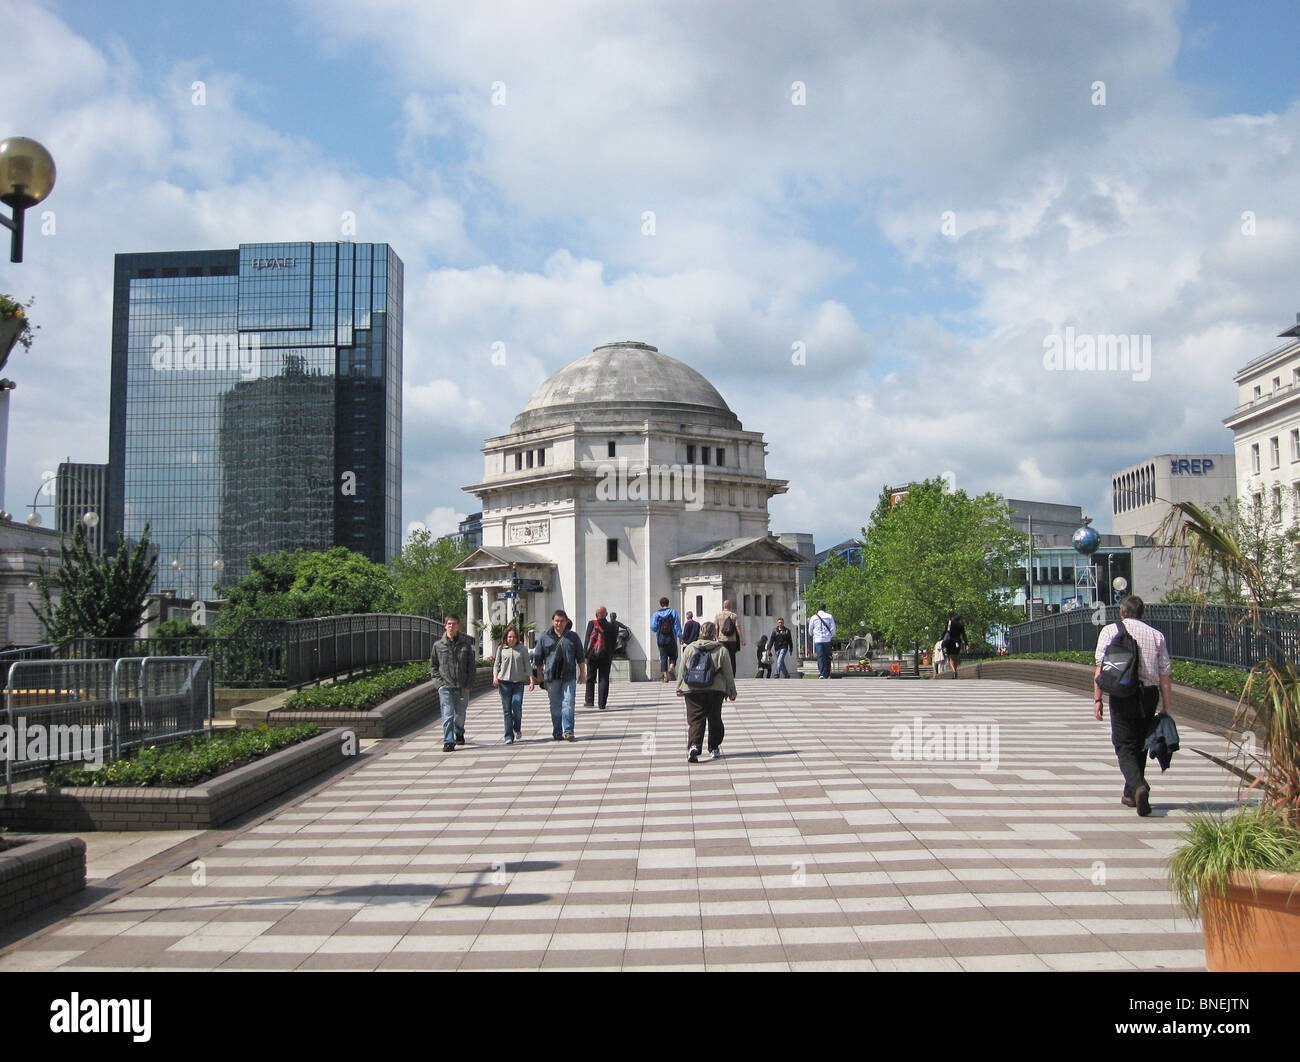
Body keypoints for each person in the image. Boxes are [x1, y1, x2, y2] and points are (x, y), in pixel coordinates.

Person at [1093, 595, 1174, 817]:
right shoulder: (1157, 636)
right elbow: (1164, 675)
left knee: (1123, 744)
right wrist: (1166, 707)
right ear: (1142, 613)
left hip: (1121, 693)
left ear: (1121, 612)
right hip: (1148, 694)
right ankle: (1131, 794)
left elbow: (1101, 669)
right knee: (1140, 742)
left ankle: (1139, 786)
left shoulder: (1109, 631)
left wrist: (1098, 699)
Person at [676, 620, 737, 763]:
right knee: (715, 718)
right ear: (715, 633)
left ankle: (694, 746)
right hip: (715, 689)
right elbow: (728, 672)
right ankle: (714, 747)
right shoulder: (721, 650)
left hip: (692, 689)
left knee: (695, 720)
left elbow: (682, 669)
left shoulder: (690, 648)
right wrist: (731, 691)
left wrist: (679, 686)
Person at [533, 609, 586, 741]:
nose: (559, 623)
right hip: (551, 676)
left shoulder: (573, 637)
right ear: (553, 621)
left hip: (569, 675)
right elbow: (538, 657)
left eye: (562, 621)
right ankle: (557, 731)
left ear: (566, 622)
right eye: (556, 621)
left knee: (568, 703)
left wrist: (583, 673)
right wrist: (539, 674)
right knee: (555, 705)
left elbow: (580, 656)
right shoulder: (545, 637)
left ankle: (568, 731)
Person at [430, 614, 477, 752]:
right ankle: (448, 741)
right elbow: (433, 666)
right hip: (446, 687)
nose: (451, 626)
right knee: (448, 713)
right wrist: (439, 685)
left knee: (460, 714)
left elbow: (471, 667)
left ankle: (459, 731)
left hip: (462, 687)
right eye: (449, 624)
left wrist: (468, 685)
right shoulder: (438, 646)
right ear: (445, 626)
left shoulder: (465, 645)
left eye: (454, 624)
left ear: (458, 626)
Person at [493, 624, 534, 743]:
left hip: (518, 683)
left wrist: (531, 680)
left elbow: (527, 665)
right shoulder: (501, 649)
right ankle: (508, 735)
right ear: (506, 637)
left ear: (517, 638)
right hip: (504, 683)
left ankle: (517, 728)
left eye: (513, 637)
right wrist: (495, 677)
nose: (511, 639)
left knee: (517, 707)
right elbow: (496, 665)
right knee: (506, 710)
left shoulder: (522, 649)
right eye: (509, 637)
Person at [583, 605, 617, 709]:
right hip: (606, 656)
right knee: (604, 679)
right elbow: (614, 642)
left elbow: (587, 641)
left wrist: (585, 655)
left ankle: (589, 700)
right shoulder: (612, 626)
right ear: (606, 615)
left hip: (593, 656)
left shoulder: (592, 624)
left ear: (596, 615)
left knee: (590, 678)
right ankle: (602, 703)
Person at [650, 596, 683, 682]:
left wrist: (659, 628)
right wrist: (680, 636)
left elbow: (653, 627)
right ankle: (671, 667)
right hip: (671, 637)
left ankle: (665, 677)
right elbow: (677, 625)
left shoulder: (656, 614)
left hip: (661, 638)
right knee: (674, 655)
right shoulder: (673, 612)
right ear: (668, 603)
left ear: (660, 604)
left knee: (663, 657)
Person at [714, 600, 744, 675]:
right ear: (730, 606)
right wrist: (741, 639)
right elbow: (738, 628)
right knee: (732, 657)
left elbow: (715, 628)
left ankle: (722, 673)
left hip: (722, 640)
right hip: (732, 640)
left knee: (722, 657)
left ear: (723, 606)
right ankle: (732, 674)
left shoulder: (718, 615)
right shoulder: (734, 616)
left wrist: (716, 638)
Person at [808, 606, 836, 679]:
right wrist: (830, 635)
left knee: (820, 656)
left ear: (818, 609)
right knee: (827, 656)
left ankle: (822, 673)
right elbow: (833, 628)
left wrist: (813, 635)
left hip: (818, 639)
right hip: (827, 639)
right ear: (825, 608)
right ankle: (827, 673)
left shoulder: (813, 617)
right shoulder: (829, 616)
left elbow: (810, 629)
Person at [940, 612, 966, 678]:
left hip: (950, 642)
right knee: (956, 658)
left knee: (951, 658)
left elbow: (945, 632)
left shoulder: (949, 623)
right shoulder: (961, 625)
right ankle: (955, 669)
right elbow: (964, 635)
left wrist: (941, 639)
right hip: (957, 642)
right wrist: (966, 644)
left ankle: (954, 671)